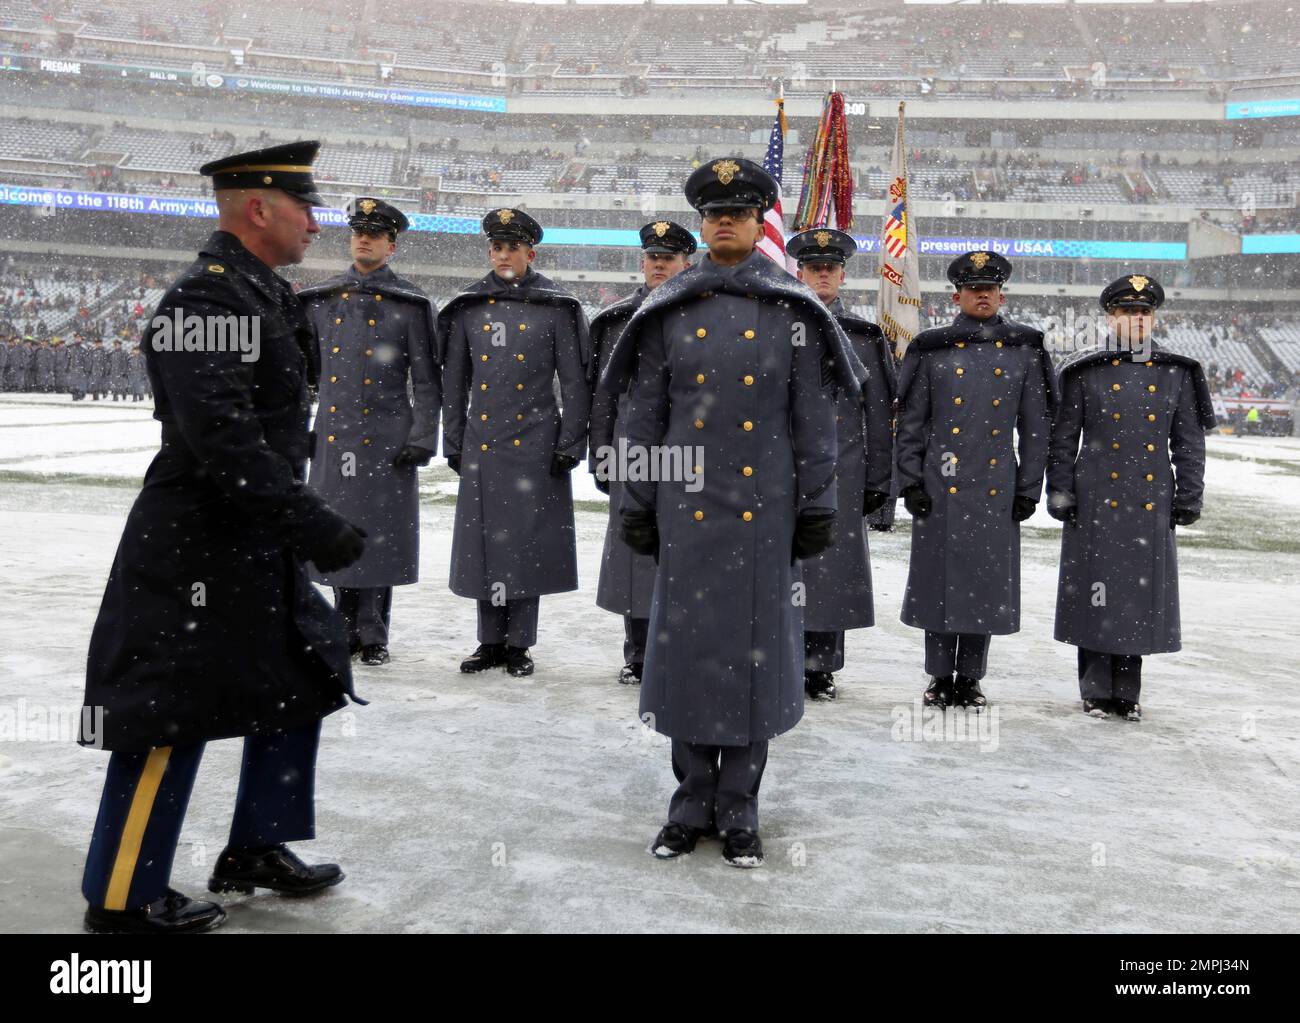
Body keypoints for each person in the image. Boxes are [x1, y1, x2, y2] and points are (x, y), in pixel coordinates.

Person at [79, 141, 367, 934]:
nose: (317, 222)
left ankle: (255, 845)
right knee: (166, 712)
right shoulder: (204, 303)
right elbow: (223, 439)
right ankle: (121, 896)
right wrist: (313, 521)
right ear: (258, 208)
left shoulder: (259, 294)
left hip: (251, 542)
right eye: (305, 207)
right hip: (194, 545)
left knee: (302, 678)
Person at [601, 157, 864, 867]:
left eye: (740, 212)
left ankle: (741, 807)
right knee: (687, 655)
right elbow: (644, 415)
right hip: (686, 511)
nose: (726, 221)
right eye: (715, 212)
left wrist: (820, 501)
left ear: (758, 223)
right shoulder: (669, 309)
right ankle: (689, 803)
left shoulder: (793, 310)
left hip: (764, 512)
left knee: (753, 662)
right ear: (701, 222)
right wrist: (636, 498)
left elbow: (814, 418)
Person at [1047, 274, 1214, 721]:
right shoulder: (1086, 369)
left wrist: (1189, 496)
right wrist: (1060, 490)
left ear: (1153, 317)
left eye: (1144, 312)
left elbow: (1189, 443)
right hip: (1096, 498)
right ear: (1111, 317)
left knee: (1137, 597)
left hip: (1149, 499)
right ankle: (1095, 688)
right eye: (1127, 312)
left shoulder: (1176, 373)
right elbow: (1063, 439)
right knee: (1096, 592)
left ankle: (1128, 691)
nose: (1137, 319)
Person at [895, 251, 1055, 710]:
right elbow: (910, 423)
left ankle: (971, 678)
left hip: (994, 488)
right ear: (957, 295)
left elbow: (1036, 428)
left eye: (990, 289)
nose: (982, 295)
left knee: (984, 587)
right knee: (938, 585)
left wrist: (1028, 489)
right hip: (939, 487)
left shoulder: (1025, 349)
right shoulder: (931, 348)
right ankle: (939, 677)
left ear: (1001, 294)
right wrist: (910, 481)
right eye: (973, 289)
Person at [438, 208, 591, 678]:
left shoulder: (557, 307)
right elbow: (454, 382)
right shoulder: (468, 307)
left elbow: (576, 381)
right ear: (490, 252)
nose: (504, 255)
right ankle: (489, 642)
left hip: (537, 443)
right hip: (484, 443)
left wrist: (571, 442)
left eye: (513, 248)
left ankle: (520, 643)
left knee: (526, 543)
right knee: (486, 543)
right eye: (497, 247)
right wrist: (455, 440)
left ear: (531, 253)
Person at [299, 197, 441, 666]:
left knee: (379, 535)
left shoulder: (411, 304)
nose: (364, 238)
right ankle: (342, 624)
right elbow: (305, 375)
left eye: (375, 234)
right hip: (334, 434)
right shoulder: (320, 299)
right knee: (336, 530)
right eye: (359, 231)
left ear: (391, 245)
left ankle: (373, 631)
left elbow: (425, 380)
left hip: (386, 437)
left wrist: (422, 437)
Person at [787, 227, 896, 701]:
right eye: (814, 268)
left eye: (830, 268)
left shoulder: (865, 337)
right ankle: (781, 656)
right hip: (782, 470)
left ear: (843, 276)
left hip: (842, 473)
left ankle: (821, 666)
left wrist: (879, 481)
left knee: (830, 573)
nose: (822, 274)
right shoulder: (779, 324)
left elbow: (880, 416)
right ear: (800, 272)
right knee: (783, 571)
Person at [589, 220, 696, 685]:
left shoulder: (704, 314)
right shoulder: (616, 322)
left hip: (692, 449)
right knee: (635, 557)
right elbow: (603, 397)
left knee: (690, 552)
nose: (659, 264)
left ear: (686, 263)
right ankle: (637, 653)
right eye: (653, 257)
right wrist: (600, 455)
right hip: (634, 449)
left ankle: (683, 648)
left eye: (668, 257)